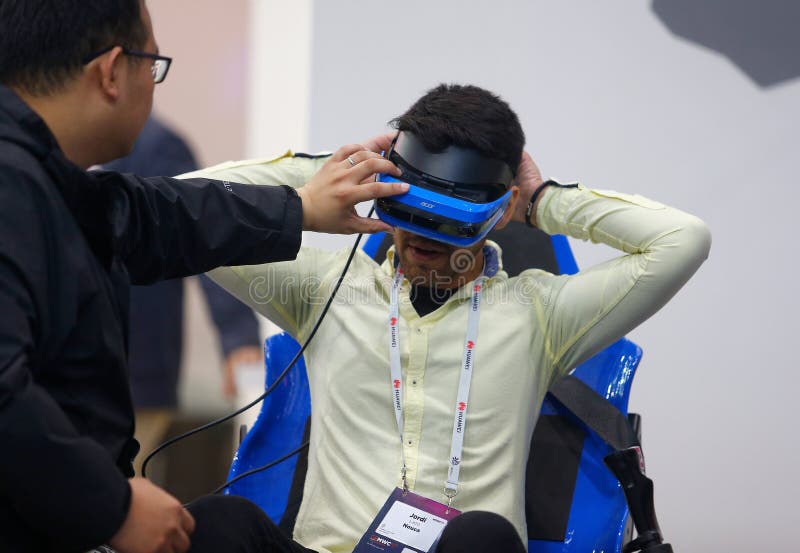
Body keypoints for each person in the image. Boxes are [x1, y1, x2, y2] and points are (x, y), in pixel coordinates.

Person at [187, 83, 713, 553]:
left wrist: (542, 202)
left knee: (480, 536)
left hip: (464, 547)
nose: (420, 237)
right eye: (409, 210)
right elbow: (185, 211)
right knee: (218, 523)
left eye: (444, 220)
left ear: (497, 213)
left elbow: (682, 240)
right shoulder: (324, 289)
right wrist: (331, 171)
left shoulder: (540, 315)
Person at [0, 1, 406, 552]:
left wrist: (301, 206)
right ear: (111, 71)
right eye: (153, 64)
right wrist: (112, 507)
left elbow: (155, 216)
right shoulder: (12, 187)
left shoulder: (46, 181)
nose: (154, 83)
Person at [103, 115, 263, 478]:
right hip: (61, 366)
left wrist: (238, 337)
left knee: (120, 492)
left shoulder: (155, 144)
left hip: (135, 369)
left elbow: (201, 231)